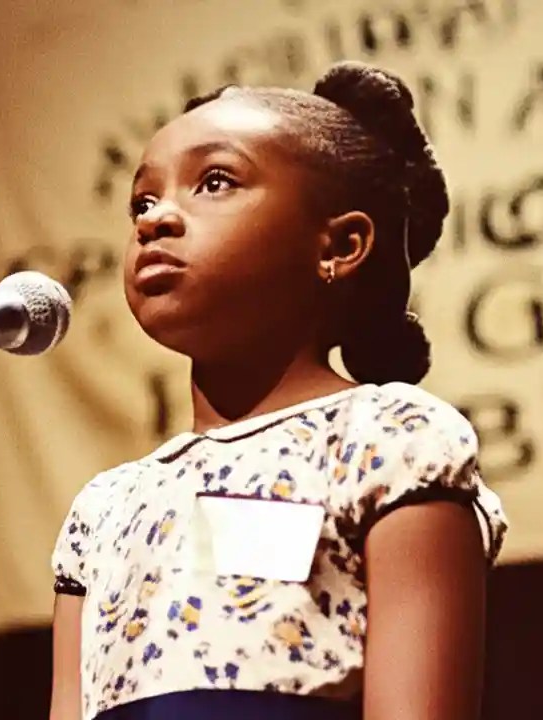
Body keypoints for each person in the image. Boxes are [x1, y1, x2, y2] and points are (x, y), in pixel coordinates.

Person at [49, 60, 508, 720]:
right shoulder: (105, 509)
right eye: (142, 202)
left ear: (339, 245)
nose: (155, 220)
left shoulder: (386, 444)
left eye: (214, 181)